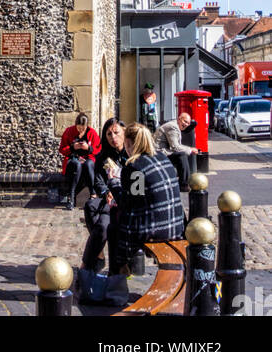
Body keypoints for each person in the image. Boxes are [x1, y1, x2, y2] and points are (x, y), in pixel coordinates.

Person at [114, 121, 184, 272]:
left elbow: (132, 203)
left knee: (114, 225)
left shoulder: (135, 167)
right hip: (176, 226)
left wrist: (114, 183)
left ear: (128, 142)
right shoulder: (162, 157)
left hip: (158, 229)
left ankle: (118, 272)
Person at [81, 118, 127, 272]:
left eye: (116, 133)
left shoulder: (132, 154)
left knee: (102, 226)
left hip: (125, 203)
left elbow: (137, 189)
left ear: (124, 132)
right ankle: (99, 253)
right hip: (109, 200)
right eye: (109, 134)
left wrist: (118, 193)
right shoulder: (104, 157)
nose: (113, 137)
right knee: (90, 206)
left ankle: (88, 264)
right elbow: (98, 181)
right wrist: (105, 192)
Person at [59, 111, 100, 208]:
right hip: (73, 159)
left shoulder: (92, 132)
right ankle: (71, 197)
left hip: (88, 159)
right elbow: (62, 149)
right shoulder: (69, 131)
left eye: (83, 128)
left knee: (89, 164)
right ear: (75, 125)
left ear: (87, 126)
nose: (81, 130)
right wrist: (73, 147)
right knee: (77, 165)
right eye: (79, 128)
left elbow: (98, 149)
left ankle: (93, 194)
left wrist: (89, 148)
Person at [154, 112, 197, 190]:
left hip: (164, 152)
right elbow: (175, 147)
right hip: (159, 153)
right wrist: (190, 149)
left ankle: (184, 181)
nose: (186, 124)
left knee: (181, 155)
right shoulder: (172, 126)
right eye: (185, 121)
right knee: (182, 155)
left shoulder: (175, 126)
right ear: (179, 119)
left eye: (188, 123)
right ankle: (183, 184)